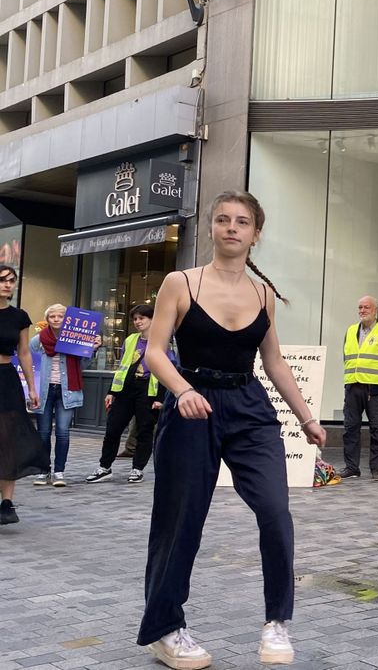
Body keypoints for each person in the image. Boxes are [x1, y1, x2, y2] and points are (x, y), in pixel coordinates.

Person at [136, 191, 327, 669]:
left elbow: (273, 361)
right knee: (180, 520)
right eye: (222, 219)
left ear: (255, 234)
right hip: (191, 406)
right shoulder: (180, 282)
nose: (231, 228)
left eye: (242, 222)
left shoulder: (263, 294)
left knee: (275, 509)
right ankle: (165, 629)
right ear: (211, 228)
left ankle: (277, 621)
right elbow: (155, 351)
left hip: (249, 408)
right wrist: (182, 390)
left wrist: (306, 417)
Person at [86, 304, 173, 484]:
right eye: (135, 319)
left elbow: (169, 370)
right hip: (126, 389)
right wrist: (112, 391)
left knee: (144, 431)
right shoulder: (131, 340)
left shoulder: (163, 342)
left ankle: (137, 468)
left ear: (152, 319)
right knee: (113, 429)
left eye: (142, 318)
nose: (138, 322)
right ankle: (104, 467)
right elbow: (122, 367)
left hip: (148, 390)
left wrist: (160, 398)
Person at [30, 304, 100, 487]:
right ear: (47, 319)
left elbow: (82, 365)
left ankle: (59, 472)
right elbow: (29, 363)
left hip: (67, 390)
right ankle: (43, 471)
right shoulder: (38, 340)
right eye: (52, 316)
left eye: (60, 316)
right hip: (43, 391)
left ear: (67, 319)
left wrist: (92, 349)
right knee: (43, 433)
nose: (56, 319)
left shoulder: (75, 339)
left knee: (62, 432)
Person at [340, 296, 378, 481]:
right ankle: (352, 467)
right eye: (360, 307)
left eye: (366, 307)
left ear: (375, 310)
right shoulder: (351, 331)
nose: (362, 310)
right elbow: (346, 356)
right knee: (350, 428)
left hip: (375, 389)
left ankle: (377, 469)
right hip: (353, 386)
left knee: (377, 429)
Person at [0, 265, 43, 525]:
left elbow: (24, 353)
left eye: (12, 280)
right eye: (2, 280)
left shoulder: (19, 317)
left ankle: (7, 503)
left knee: (8, 439)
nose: (7, 284)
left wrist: (32, 387)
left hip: (6, 379)